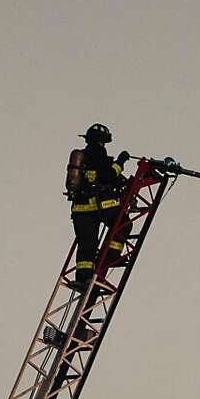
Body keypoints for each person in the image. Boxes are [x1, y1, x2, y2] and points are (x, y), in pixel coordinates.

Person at [65, 124, 128, 292]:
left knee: (87, 245)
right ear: (102, 141)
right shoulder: (98, 153)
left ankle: (83, 279)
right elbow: (109, 175)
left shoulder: (83, 157)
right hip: (99, 206)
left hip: (80, 210)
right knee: (124, 224)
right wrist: (120, 162)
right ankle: (111, 257)